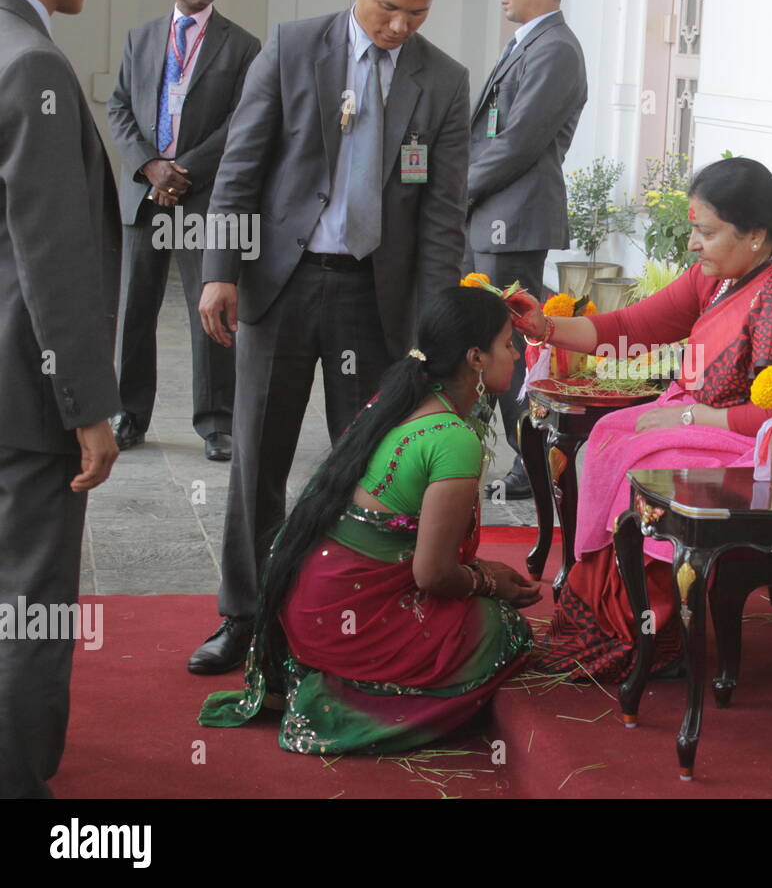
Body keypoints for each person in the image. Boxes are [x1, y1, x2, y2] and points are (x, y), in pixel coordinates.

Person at [191, 0, 470, 675]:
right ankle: (243, 619)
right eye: (388, 7)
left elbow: (443, 217)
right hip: (281, 285)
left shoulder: (442, 81)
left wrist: (439, 323)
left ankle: (339, 620)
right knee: (258, 459)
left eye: (417, 13)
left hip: (372, 295)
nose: (400, 27)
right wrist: (220, 268)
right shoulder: (290, 49)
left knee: (366, 468)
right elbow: (240, 166)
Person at [510, 158, 772, 680]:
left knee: (642, 458)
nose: (692, 244)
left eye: (706, 232)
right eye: (694, 229)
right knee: (609, 435)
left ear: (756, 235)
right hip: (711, 417)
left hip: (765, 444)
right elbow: (632, 326)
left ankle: (658, 629)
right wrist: (544, 326)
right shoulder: (723, 276)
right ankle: (613, 617)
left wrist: (689, 416)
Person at [199, 288, 540, 754]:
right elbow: (432, 574)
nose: (516, 352)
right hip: (350, 627)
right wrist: (487, 581)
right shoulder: (453, 439)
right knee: (502, 629)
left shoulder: (397, 399)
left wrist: (479, 573)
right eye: (507, 343)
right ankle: (353, 699)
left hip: (306, 613)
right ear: (475, 357)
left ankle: (338, 677)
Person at [0, 0, 120, 798]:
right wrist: (86, 405)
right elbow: (54, 258)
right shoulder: (33, 64)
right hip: (23, 390)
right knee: (28, 603)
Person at [107, 0, 260, 462]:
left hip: (205, 197)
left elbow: (242, 122)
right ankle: (128, 414)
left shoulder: (242, 46)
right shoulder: (141, 39)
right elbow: (119, 108)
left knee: (211, 309)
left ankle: (218, 423)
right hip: (146, 195)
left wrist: (184, 171)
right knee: (135, 309)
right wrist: (151, 166)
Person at [465, 0, 586, 502]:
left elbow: (517, 143)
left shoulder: (555, 48)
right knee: (490, 343)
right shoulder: (529, 42)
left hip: (511, 223)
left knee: (510, 349)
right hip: (493, 215)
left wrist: (455, 193)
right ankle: (516, 453)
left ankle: (535, 460)